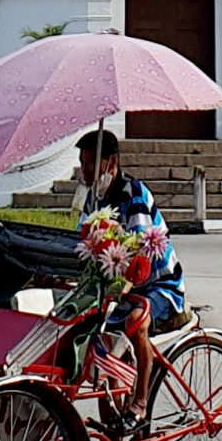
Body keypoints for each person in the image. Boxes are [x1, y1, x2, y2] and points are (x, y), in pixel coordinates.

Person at [77, 129, 188, 421]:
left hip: (158, 284)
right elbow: (84, 241)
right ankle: (112, 427)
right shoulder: (93, 199)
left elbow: (139, 250)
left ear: (110, 162)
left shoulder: (133, 193)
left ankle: (140, 400)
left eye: (90, 163)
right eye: (82, 162)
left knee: (135, 322)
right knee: (94, 335)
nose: (85, 170)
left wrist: (119, 288)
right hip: (119, 285)